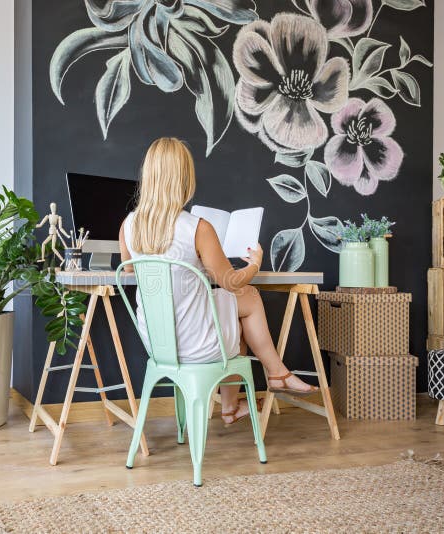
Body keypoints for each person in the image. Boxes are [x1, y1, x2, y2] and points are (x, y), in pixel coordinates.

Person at [119, 137, 318, 427]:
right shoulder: (196, 227)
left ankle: (232, 406)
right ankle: (276, 373)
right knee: (247, 297)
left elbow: (129, 273)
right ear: (185, 178)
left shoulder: (128, 225)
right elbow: (231, 282)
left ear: (148, 176)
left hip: (157, 343)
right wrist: (255, 263)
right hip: (196, 345)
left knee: (229, 316)